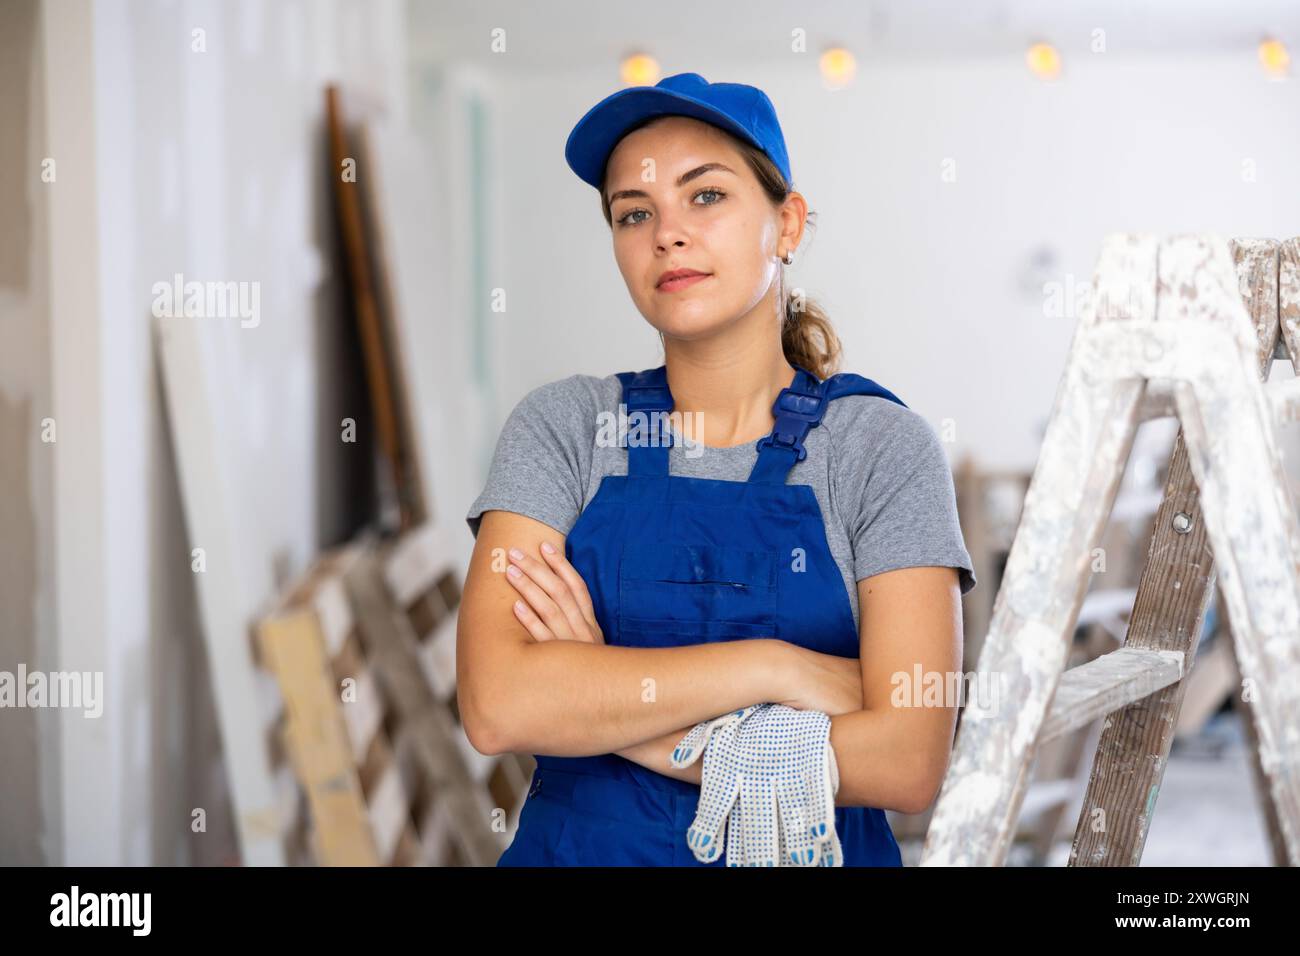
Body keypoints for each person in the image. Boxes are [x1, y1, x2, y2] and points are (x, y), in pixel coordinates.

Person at [458, 72, 976, 866]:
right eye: (635, 212)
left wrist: (595, 689)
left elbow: (908, 761)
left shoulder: (881, 450)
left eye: (705, 197)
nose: (667, 232)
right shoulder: (562, 429)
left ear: (788, 222)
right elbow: (498, 706)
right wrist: (779, 669)